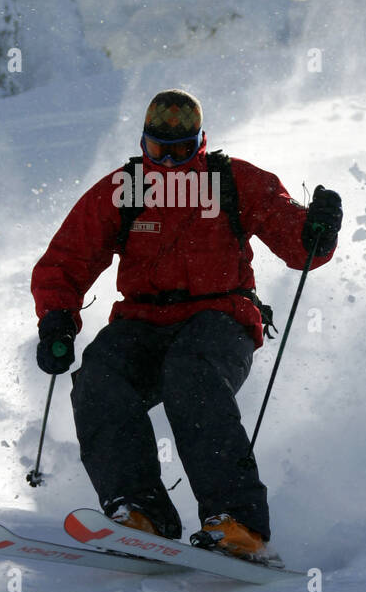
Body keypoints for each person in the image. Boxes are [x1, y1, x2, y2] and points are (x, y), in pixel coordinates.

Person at [31, 89, 341, 561]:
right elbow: (66, 261)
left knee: (190, 374)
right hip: (142, 320)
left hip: (221, 318)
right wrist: (57, 321)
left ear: (202, 142)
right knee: (98, 377)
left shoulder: (232, 180)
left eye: (182, 150)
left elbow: (296, 244)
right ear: (142, 144)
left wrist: (317, 228)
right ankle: (139, 512)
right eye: (159, 151)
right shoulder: (125, 189)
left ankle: (238, 524)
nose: (170, 162)